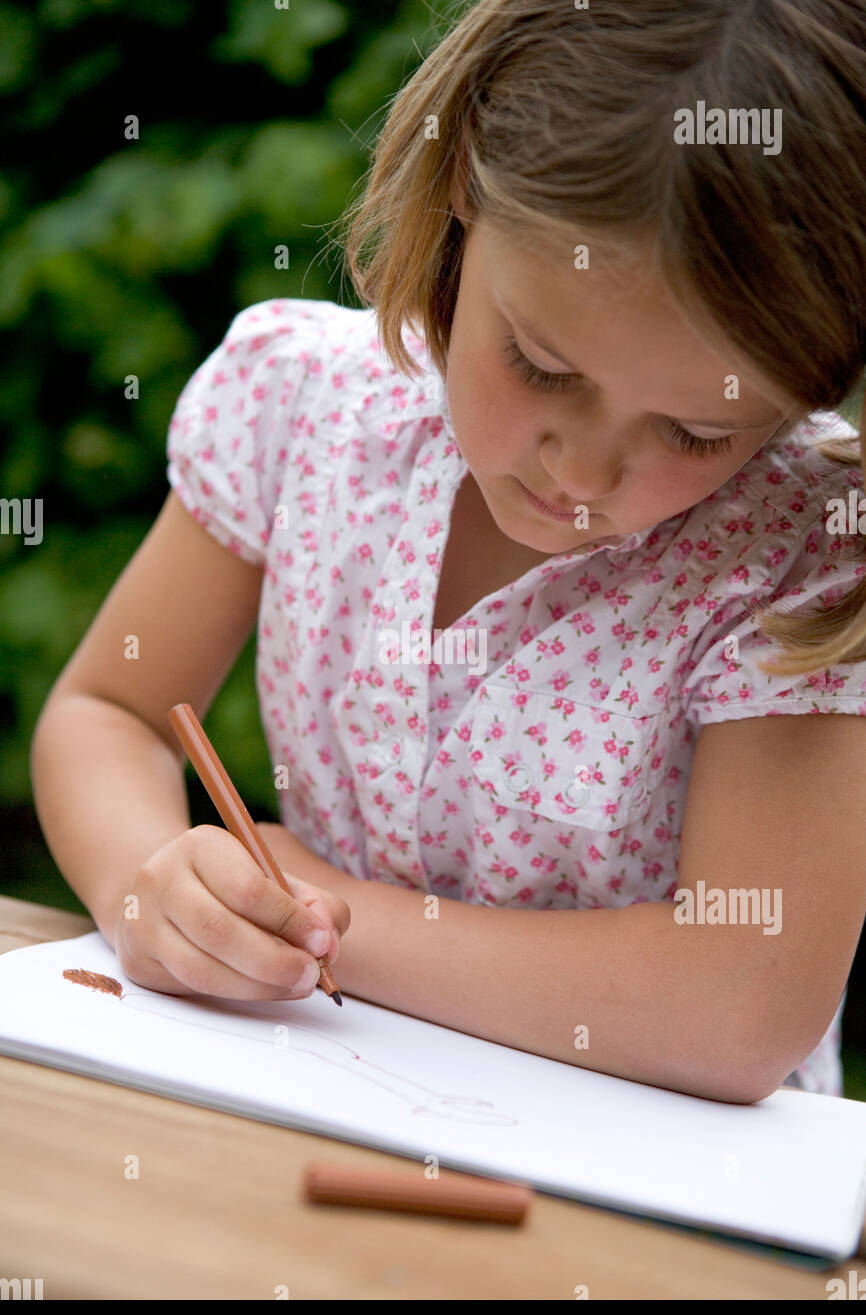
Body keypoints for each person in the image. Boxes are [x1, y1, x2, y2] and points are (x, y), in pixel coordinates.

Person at [31, 0, 866, 1103]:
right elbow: (112, 713)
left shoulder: (803, 556)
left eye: (695, 431)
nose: (578, 472)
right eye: (538, 364)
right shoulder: (299, 403)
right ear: (465, 183)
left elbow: (736, 1002)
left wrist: (335, 918)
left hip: (654, 1212)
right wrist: (149, 885)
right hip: (306, 1110)